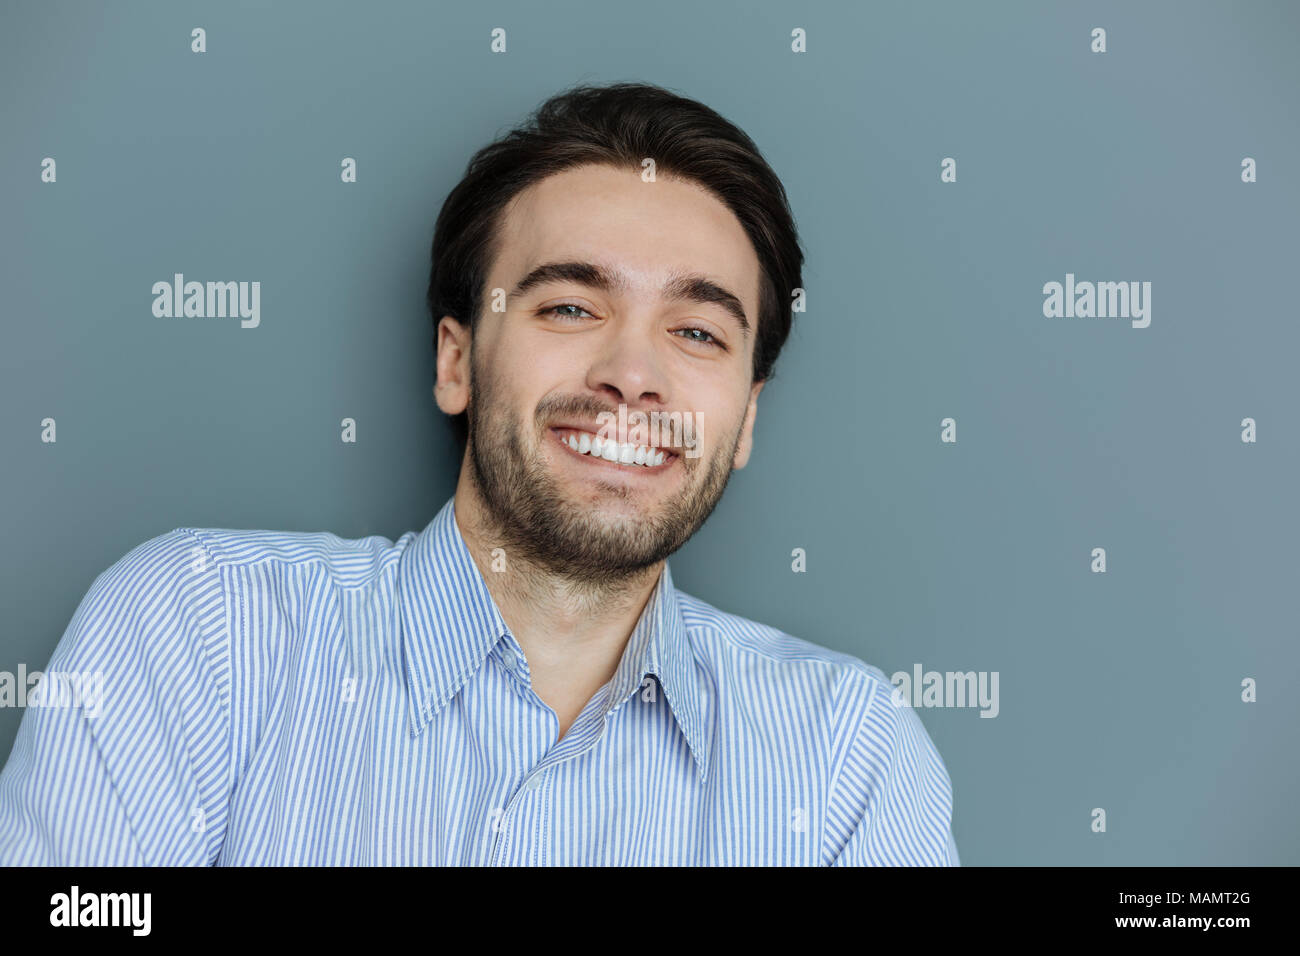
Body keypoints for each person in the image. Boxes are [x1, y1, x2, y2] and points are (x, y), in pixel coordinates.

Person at [0, 81, 958, 865]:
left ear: (744, 420)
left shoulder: (849, 758)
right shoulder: (197, 632)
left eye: (698, 331)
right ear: (457, 362)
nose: (632, 374)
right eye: (569, 308)